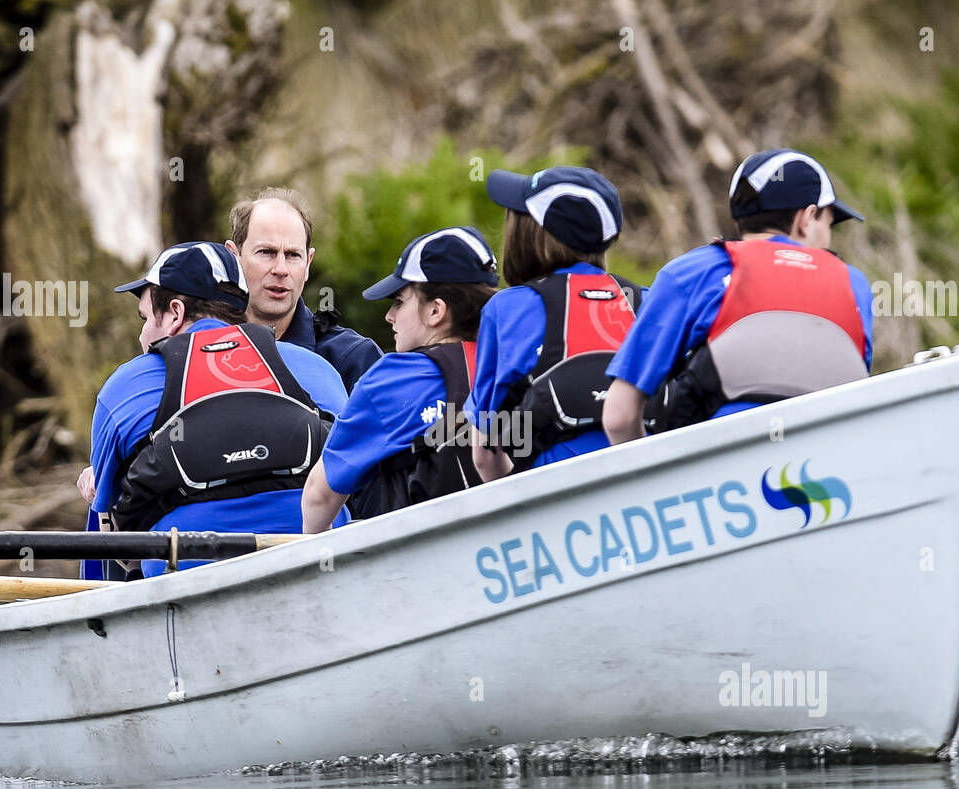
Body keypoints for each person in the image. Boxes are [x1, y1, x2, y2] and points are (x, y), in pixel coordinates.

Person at [84, 241, 350, 579]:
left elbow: (111, 530)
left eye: (146, 317)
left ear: (175, 314)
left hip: (186, 577)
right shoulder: (318, 369)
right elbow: (352, 469)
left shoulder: (123, 386)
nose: (142, 334)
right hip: (317, 562)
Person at [602, 148, 874, 443]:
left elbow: (619, 416)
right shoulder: (854, 284)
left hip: (719, 465)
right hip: (834, 458)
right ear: (807, 218)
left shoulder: (689, 273)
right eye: (829, 222)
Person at [301, 227, 499, 532]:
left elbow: (318, 495)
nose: (389, 316)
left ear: (435, 310)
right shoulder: (518, 362)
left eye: (399, 301)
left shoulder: (393, 380)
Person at [464, 166, 645, 482]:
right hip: (650, 481)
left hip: (557, 493)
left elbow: (485, 454)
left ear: (533, 233)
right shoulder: (645, 299)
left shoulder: (507, 308)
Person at [225, 188, 383, 393]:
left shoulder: (355, 360)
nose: (281, 269)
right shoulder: (198, 352)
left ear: (308, 263)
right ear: (233, 257)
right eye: (266, 252)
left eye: (292, 255)